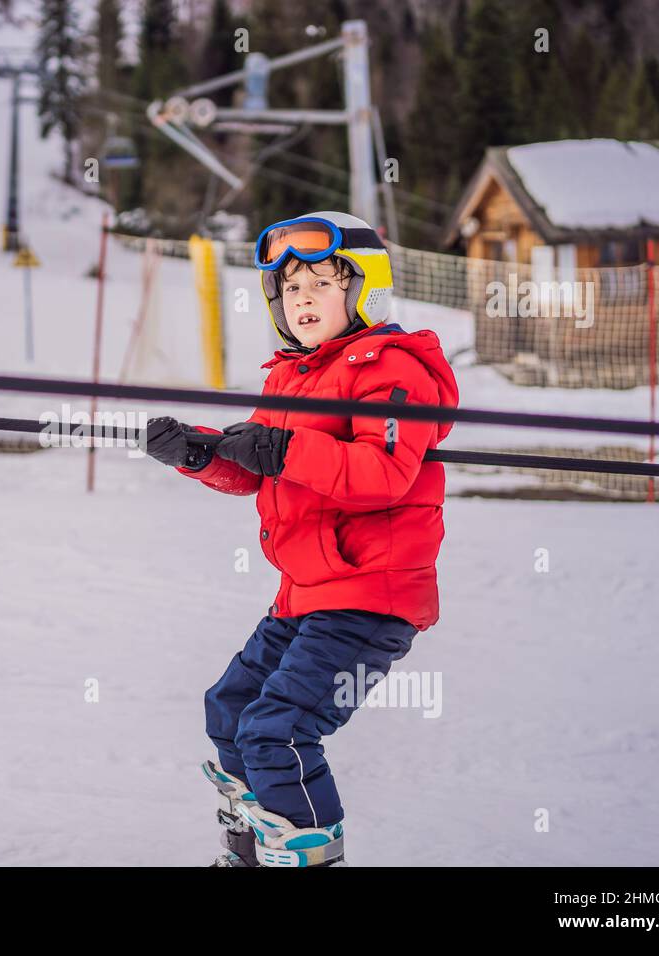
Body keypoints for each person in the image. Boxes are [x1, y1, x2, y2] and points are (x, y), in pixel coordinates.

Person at [144, 211, 460, 867]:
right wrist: (198, 454)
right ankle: (252, 851)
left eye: (322, 281)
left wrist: (286, 448)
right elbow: (258, 470)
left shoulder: (393, 370)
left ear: (363, 287)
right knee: (230, 709)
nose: (304, 298)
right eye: (291, 288)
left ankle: (311, 858)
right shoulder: (289, 375)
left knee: (277, 731)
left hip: (370, 596)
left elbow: (384, 474)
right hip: (305, 594)